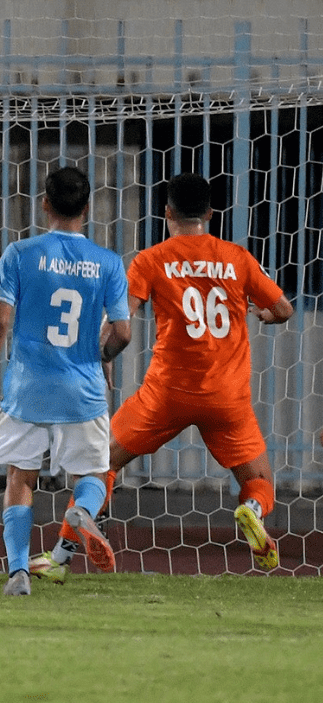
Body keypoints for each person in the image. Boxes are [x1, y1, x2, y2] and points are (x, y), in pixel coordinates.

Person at [31, 172, 294, 581]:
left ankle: (60, 557)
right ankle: (253, 512)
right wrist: (261, 313)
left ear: (166, 212)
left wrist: (100, 357)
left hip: (166, 394)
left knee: (100, 465)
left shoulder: (151, 260)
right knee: (258, 479)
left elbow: (121, 322)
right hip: (227, 397)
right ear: (209, 213)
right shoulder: (237, 258)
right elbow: (284, 308)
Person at [0, 166, 132, 596]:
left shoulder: (20, 253)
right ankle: (81, 513)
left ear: (45, 203)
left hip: (28, 388)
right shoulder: (108, 263)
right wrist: (101, 356)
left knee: (21, 476)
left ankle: (18, 572)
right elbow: (122, 334)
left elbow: (0, 323)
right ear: (87, 208)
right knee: (94, 472)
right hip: (83, 389)